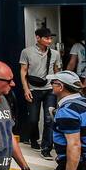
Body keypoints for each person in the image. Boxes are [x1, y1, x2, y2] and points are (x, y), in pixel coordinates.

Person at [19, 27, 62, 156]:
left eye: (50, 38)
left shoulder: (55, 53)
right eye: (46, 38)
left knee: (49, 119)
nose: (49, 41)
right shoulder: (26, 52)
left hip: (49, 89)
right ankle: (33, 139)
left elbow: (57, 71)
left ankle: (46, 148)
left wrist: (58, 89)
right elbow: (23, 71)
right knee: (33, 119)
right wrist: (26, 89)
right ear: (37, 38)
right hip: (33, 89)